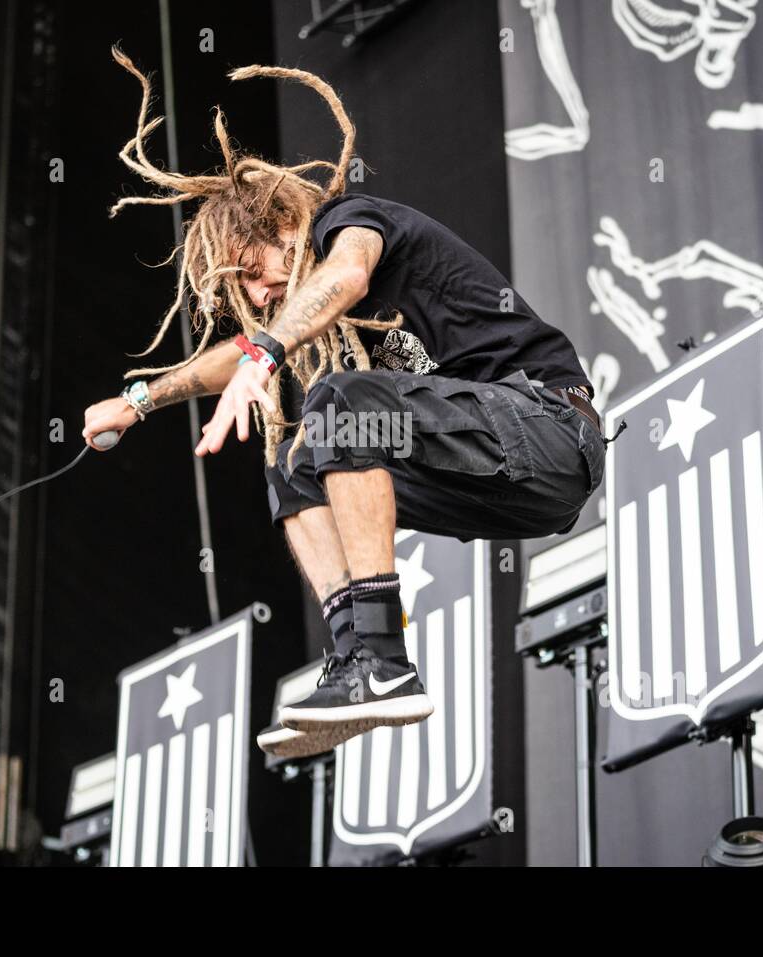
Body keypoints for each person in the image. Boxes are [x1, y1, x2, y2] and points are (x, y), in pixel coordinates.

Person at [82, 47, 604, 759]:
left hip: (547, 427)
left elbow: (348, 276)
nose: (260, 297)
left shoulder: (350, 221)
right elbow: (238, 352)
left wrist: (268, 351)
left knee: (339, 402)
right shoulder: (290, 296)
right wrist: (142, 399)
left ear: (283, 226)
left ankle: (384, 662)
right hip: (504, 485)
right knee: (295, 460)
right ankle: (360, 657)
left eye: (255, 274)